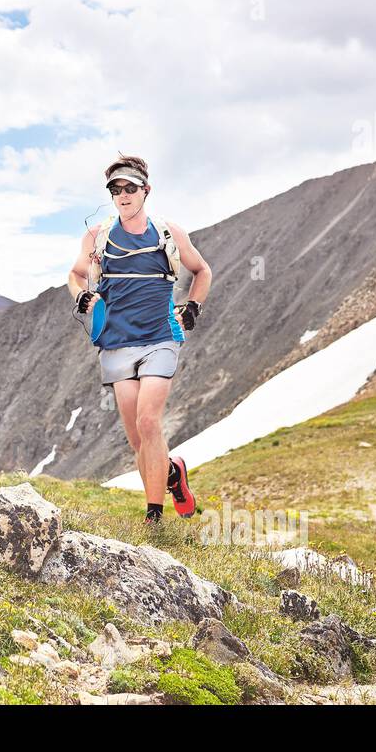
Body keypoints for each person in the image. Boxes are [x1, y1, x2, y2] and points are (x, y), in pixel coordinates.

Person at [67, 154, 212, 523]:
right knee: (137, 441)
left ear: (146, 190)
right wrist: (81, 295)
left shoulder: (169, 233)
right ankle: (172, 474)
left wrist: (193, 305)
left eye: (130, 188)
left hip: (161, 336)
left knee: (150, 422)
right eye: (116, 189)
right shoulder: (97, 236)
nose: (123, 195)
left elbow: (201, 270)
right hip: (116, 342)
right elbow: (76, 274)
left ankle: (154, 516)